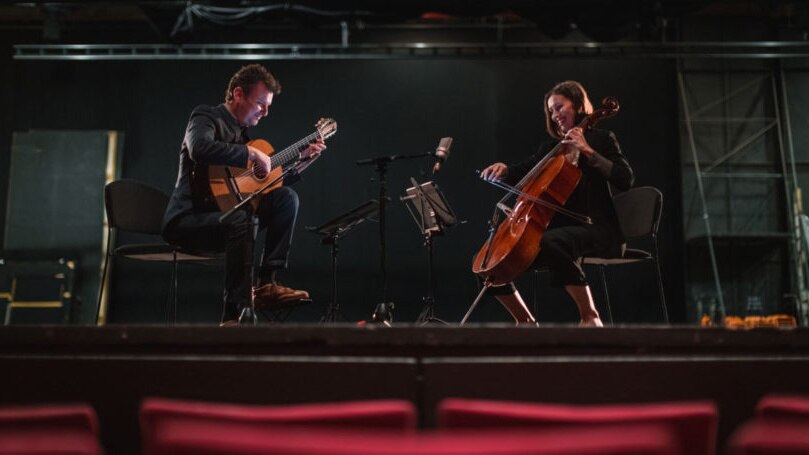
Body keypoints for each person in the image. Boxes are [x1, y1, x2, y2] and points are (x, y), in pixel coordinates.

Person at [162, 63, 326, 325]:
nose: (266, 112)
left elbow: (258, 187)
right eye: (261, 103)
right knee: (242, 220)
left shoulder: (242, 136)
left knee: (285, 199)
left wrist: (300, 164)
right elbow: (200, 148)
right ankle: (234, 315)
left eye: (268, 106)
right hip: (189, 220)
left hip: (227, 222)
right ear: (238, 94)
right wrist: (250, 153)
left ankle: (266, 284)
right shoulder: (206, 117)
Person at [480, 80, 633, 327]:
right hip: (560, 232)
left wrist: (587, 150)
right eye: (551, 111)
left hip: (598, 230)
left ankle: (590, 316)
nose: (555, 115)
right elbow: (524, 171)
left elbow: (625, 179)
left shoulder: (601, 139)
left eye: (560, 107)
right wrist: (505, 170)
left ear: (578, 105)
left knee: (553, 241)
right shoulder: (550, 149)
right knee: (488, 262)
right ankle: (525, 322)